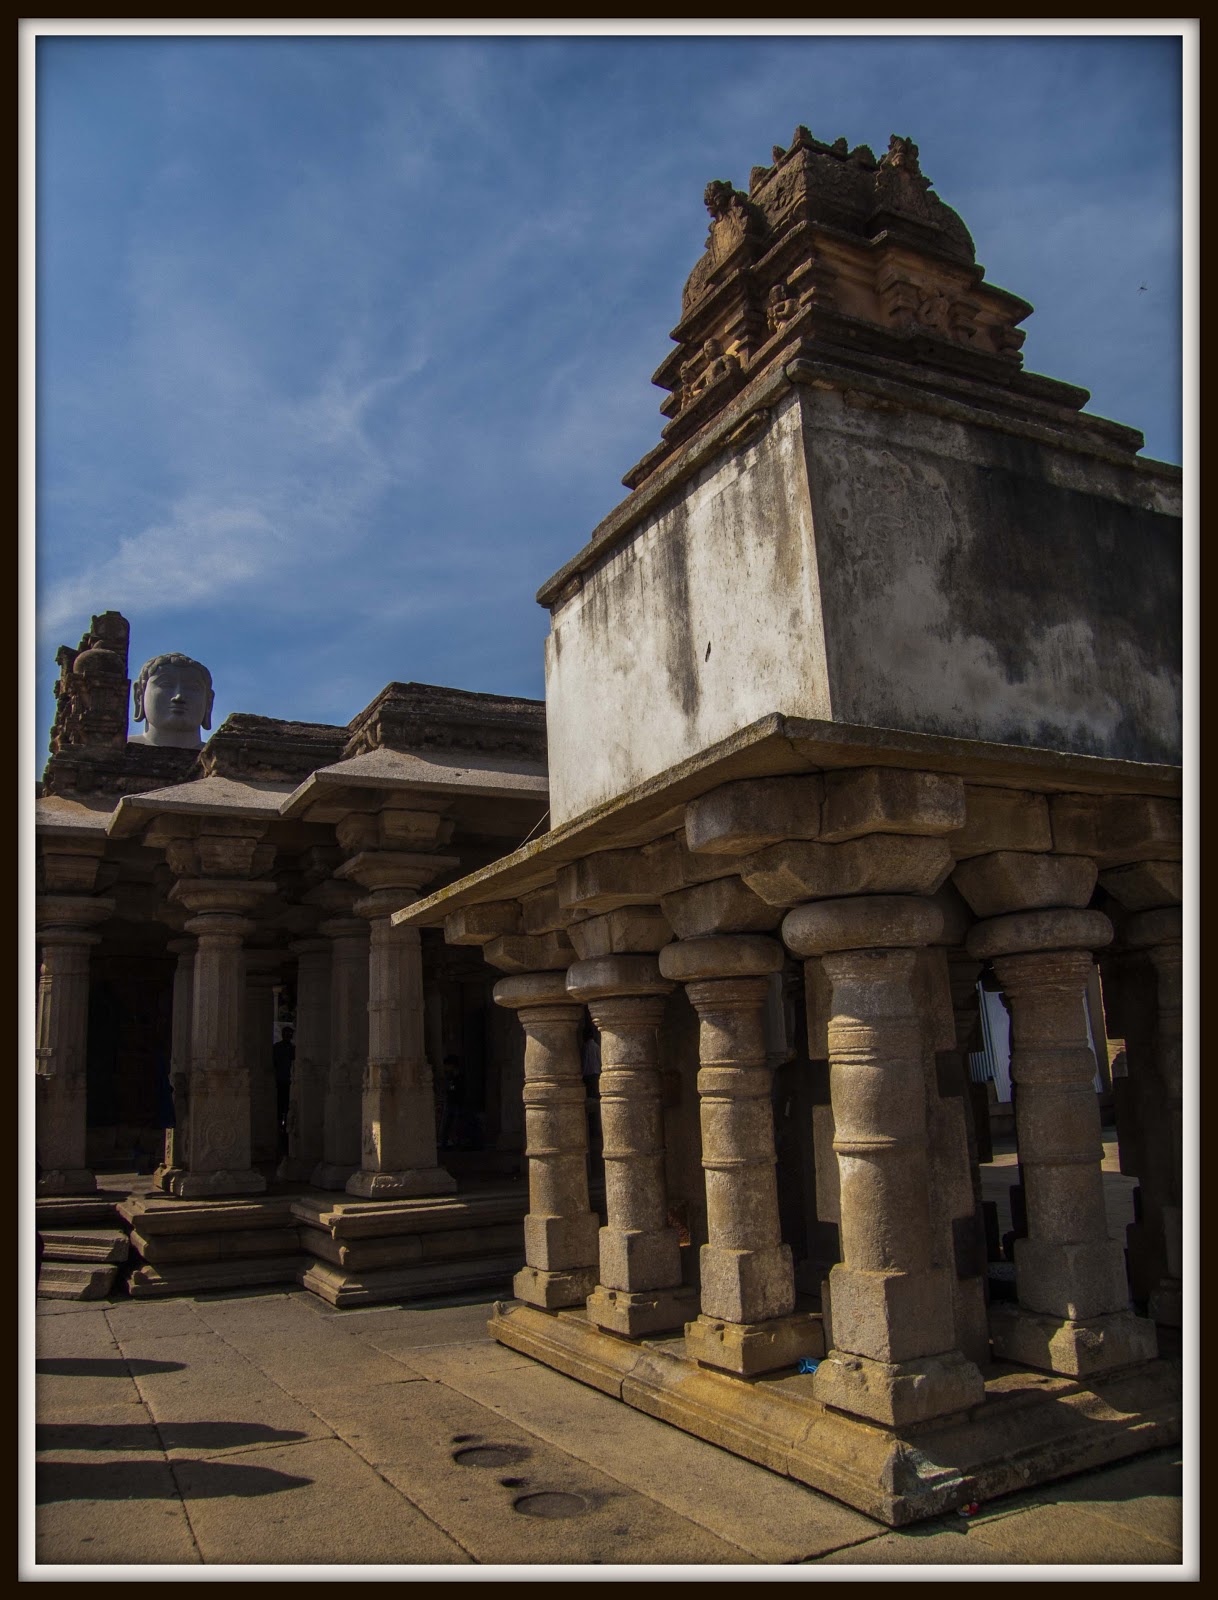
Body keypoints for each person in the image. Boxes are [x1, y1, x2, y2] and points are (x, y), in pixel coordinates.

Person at [272, 1026, 295, 1154]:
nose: (288, 1035)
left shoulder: (293, 1049)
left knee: (287, 1106)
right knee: (280, 1107)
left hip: (289, 1082)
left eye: (290, 1033)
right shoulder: (278, 1048)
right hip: (280, 1081)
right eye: (286, 1033)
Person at [438, 1055, 462, 1149]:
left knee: (456, 1124)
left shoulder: (458, 1077)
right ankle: (445, 1143)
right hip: (451, 1102)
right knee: (447, 1124)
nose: (445, 1068)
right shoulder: (450, 1076)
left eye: (447, 1066)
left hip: (457, 1103)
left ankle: (457, 1142)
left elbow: (456, 1089)